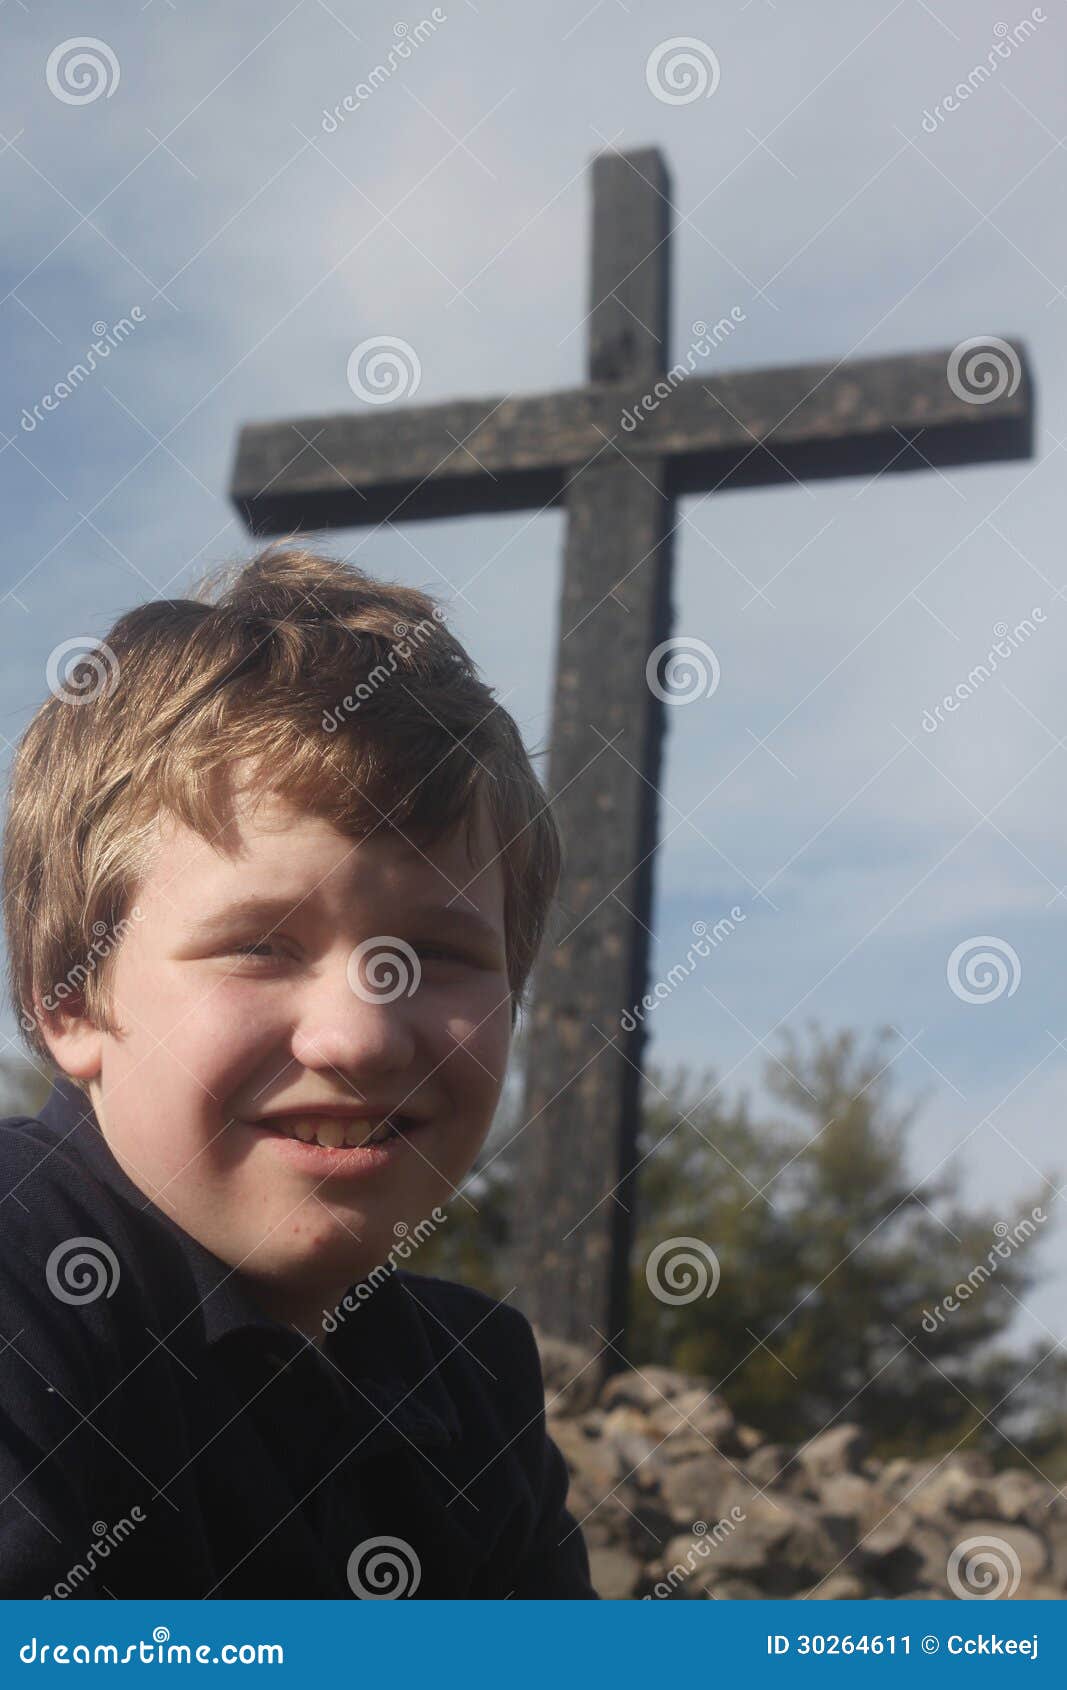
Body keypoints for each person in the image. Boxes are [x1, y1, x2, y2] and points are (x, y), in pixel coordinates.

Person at [0, 544, 599, 1599]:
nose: (360, 1039)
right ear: (71, 997)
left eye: (440, 957)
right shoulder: (23, 1282)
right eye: (261, 946)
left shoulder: (474, 1382)